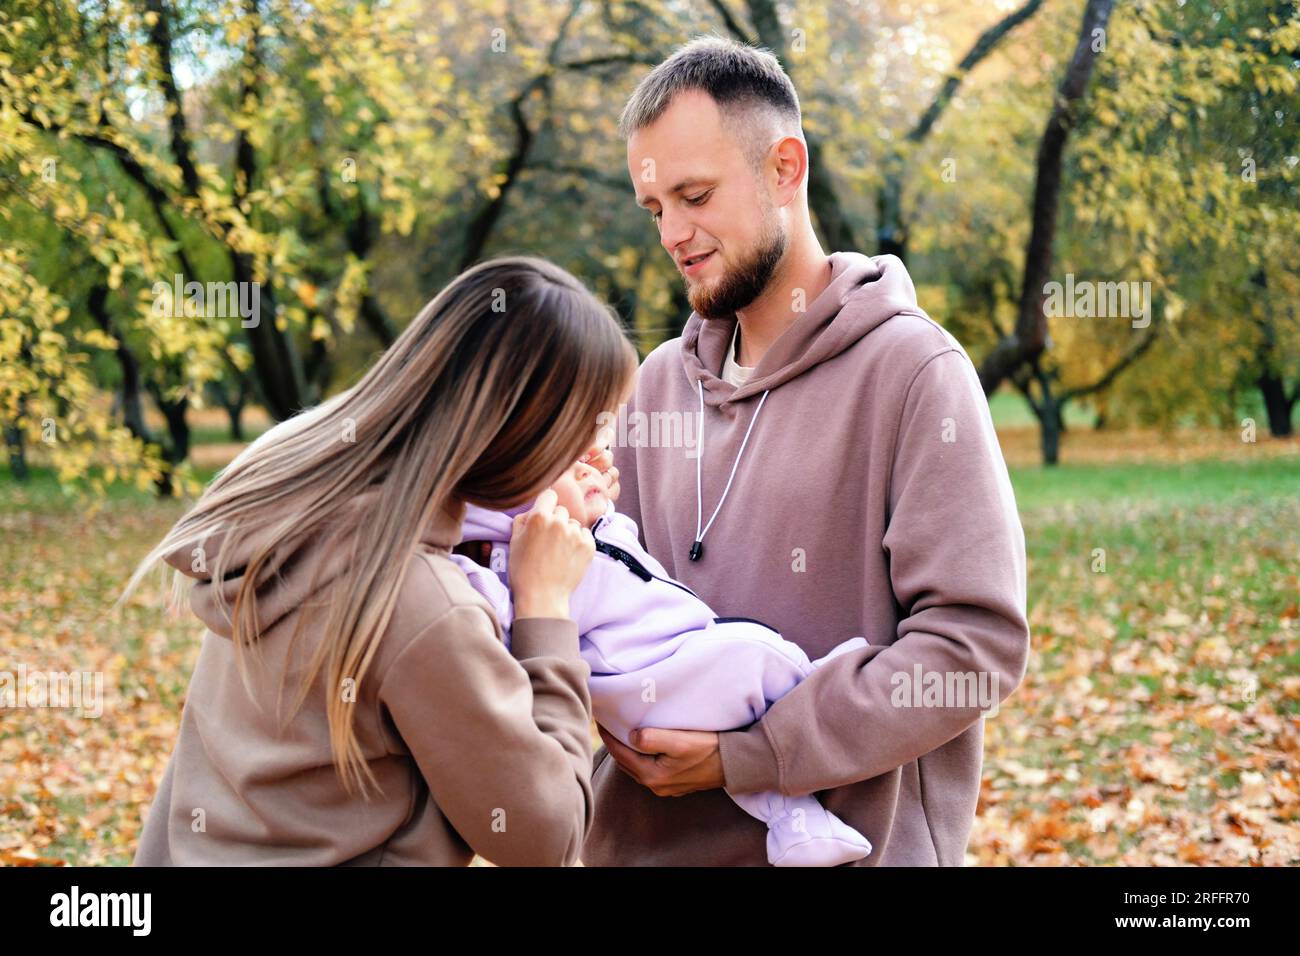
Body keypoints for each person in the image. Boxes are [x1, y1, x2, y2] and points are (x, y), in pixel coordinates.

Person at [582, 36, 1031, 866]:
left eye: (695, 195)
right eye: (656, 210)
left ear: (785, 168)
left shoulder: (914, 373)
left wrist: (748, 757)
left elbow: (974, 652)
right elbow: (600, 602)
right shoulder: (654, 386)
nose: (673, 234)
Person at [127, 256, 637, 866]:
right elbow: (543, 836)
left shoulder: (287, 479)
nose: (592, 452)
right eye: (585, 427)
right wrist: (546, 606)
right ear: (523, 429)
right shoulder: (421, 604)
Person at [451, 458, 874, 866]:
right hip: (656, 684)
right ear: (516, 504)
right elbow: (496, 629)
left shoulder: (579, 536)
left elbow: (619, 544)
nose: (582, 467)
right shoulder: (513, 570)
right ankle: (815, 685)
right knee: (753, 660)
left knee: (746, 680)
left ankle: (797, 826)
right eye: (559, 467)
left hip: (677, 669)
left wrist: (594, 501)